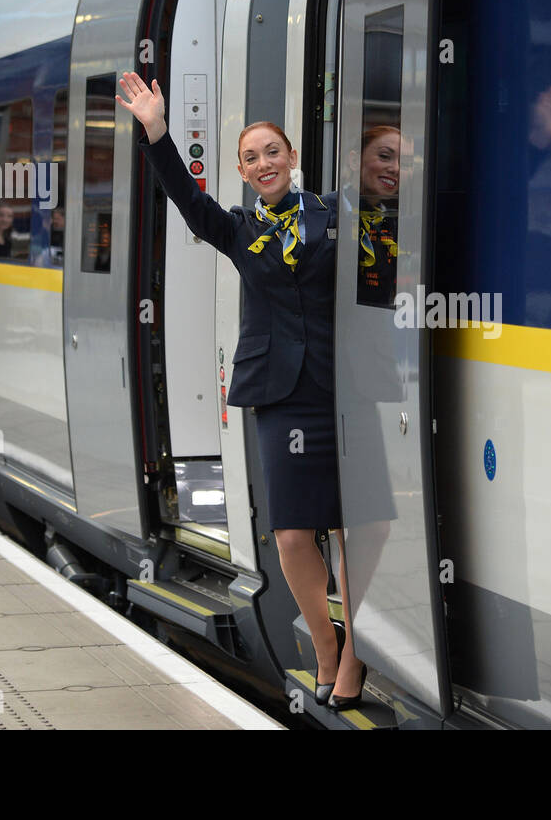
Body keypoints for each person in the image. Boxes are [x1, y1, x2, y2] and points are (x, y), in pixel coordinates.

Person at [116, 71, 367, 710]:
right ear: (242, 170)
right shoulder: (236, 228)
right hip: (282, 395)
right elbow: (185, 200)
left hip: (344, 387)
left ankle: (362, 653)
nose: (263, 164)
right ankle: (327, 645)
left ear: (292, 159)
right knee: (292, 535)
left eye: (272, 152)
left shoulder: (336, 214)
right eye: (250, 158)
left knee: (350, 532)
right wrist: (158, 132)